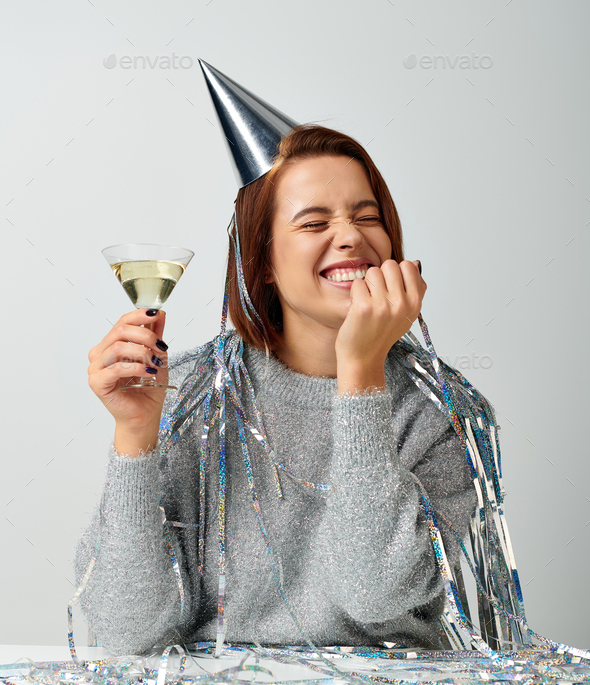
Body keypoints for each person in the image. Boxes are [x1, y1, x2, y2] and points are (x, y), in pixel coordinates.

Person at [77, 122, 480, 656]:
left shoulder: (439, 411)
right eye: (314, 222)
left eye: (367, 217)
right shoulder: (194, 396)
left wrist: (361, 372)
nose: (350, 237)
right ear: (263, 261)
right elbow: (127, 632)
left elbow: (379, 598)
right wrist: (134, 434)